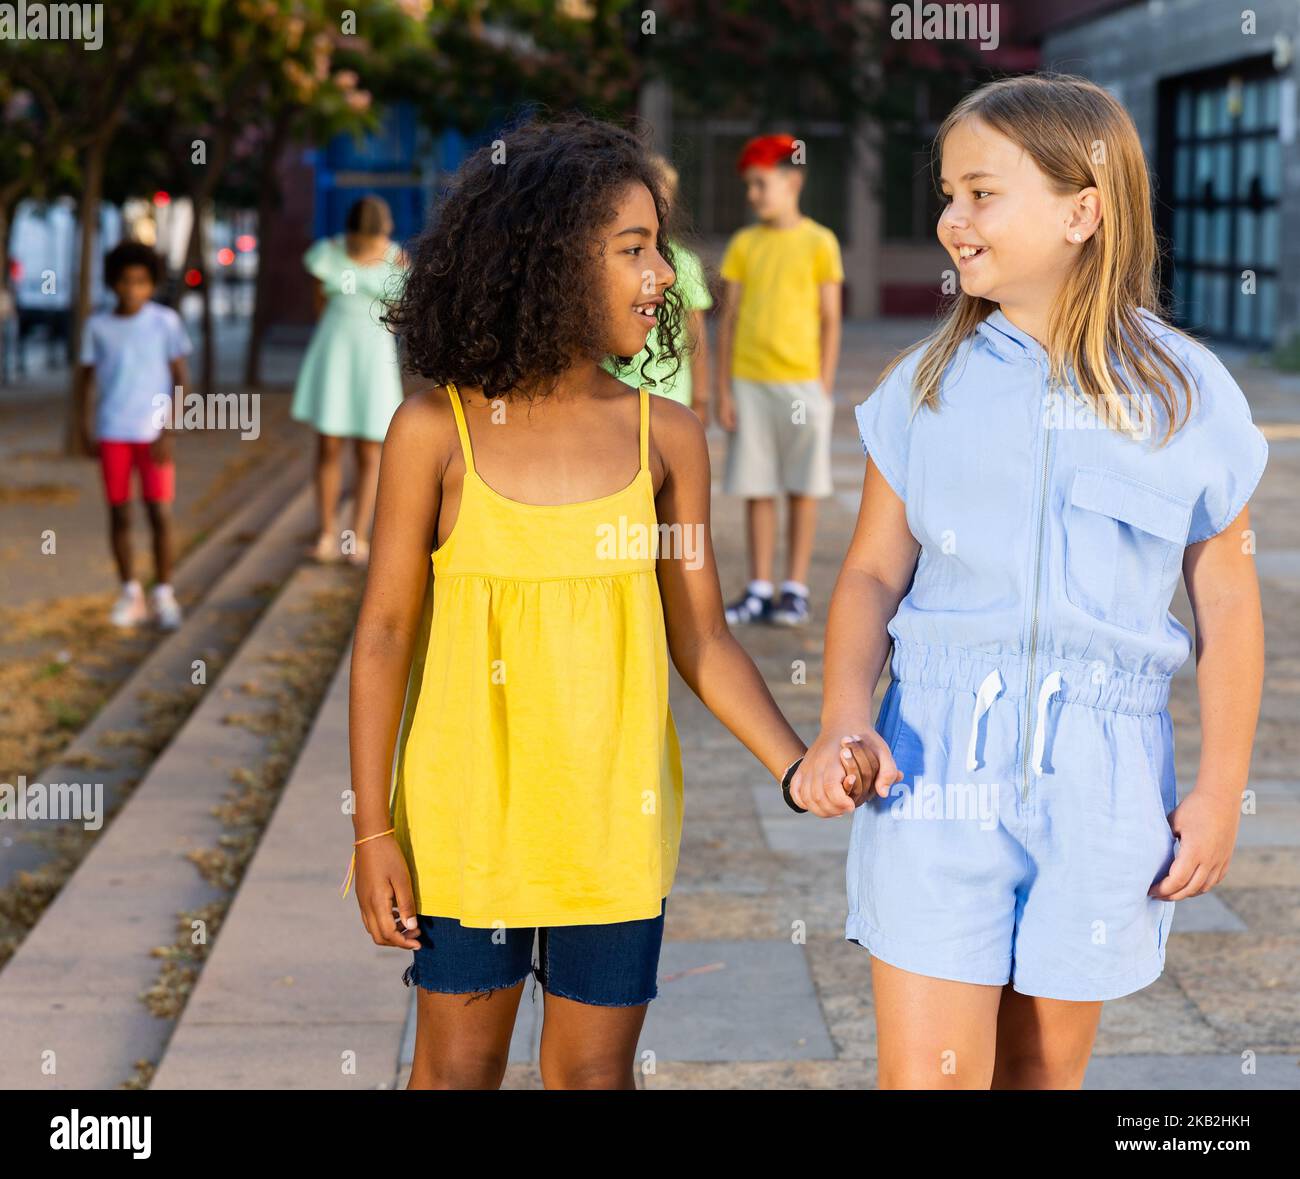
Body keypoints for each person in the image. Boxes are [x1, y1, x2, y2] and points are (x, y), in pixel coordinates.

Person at [794, 74, 1269, 1089]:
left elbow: (1226, 604)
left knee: (1041, 1081)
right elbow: (872, 574)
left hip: (1103, 780)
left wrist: (1221, 791)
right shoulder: (920, 388)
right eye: (948, 193)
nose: (949, 219)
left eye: (980, 193)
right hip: (929, 765)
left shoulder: (1187, 396)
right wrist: (843, 716)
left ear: (1081, 210)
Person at [343, 113, 834, 1090]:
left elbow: (702, 638)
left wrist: (796, 764)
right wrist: (372, 830)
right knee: (453, 1072)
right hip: (461, 826)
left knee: (595, 1079)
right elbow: (384, 636)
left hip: (613, 828)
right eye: (634, 250)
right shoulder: (430, 432)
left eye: (661, 249)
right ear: (548, 261)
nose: (663, 276)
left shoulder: (669, 437)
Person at [715, 132, 843, 627]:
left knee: (803, 486)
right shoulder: (744, 244)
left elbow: (831, 318)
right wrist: (725, 389)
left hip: (803, 385)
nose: (752, 195)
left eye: (760, 183)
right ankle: (759, 587)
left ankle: (794, 588)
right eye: (749, 185)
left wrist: (824, 385)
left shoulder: (820, 242)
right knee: (757, 486)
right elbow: (727, 320)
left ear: (793, 181)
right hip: (750, 383)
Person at [74, 240, 192, 630]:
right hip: (113, 432)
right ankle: (130, 592)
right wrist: (82, 426)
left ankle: (164, 593)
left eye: (141, 281)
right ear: (112, 283)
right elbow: (84, 381)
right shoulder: (99, 326)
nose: (132, 289)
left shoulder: (165, 323)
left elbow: (180, 379)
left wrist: (169, 430)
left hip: (153, 434)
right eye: (125, 281)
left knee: (159, 513)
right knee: (119, 513)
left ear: (152, 283)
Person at [291, 195, 407, 567]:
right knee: (328, 444)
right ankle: (327, 534)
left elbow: (400, 311)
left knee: (369, 451)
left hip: (373, 357)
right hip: (335, 353)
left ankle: (356, 537)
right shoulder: (327, 252)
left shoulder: (396, 259)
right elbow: (318, 304)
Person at [603, 153, 713, 423]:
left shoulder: (685, 263)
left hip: (670, 393)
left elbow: (695, 335)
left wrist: (701, 396)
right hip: (617, 388)